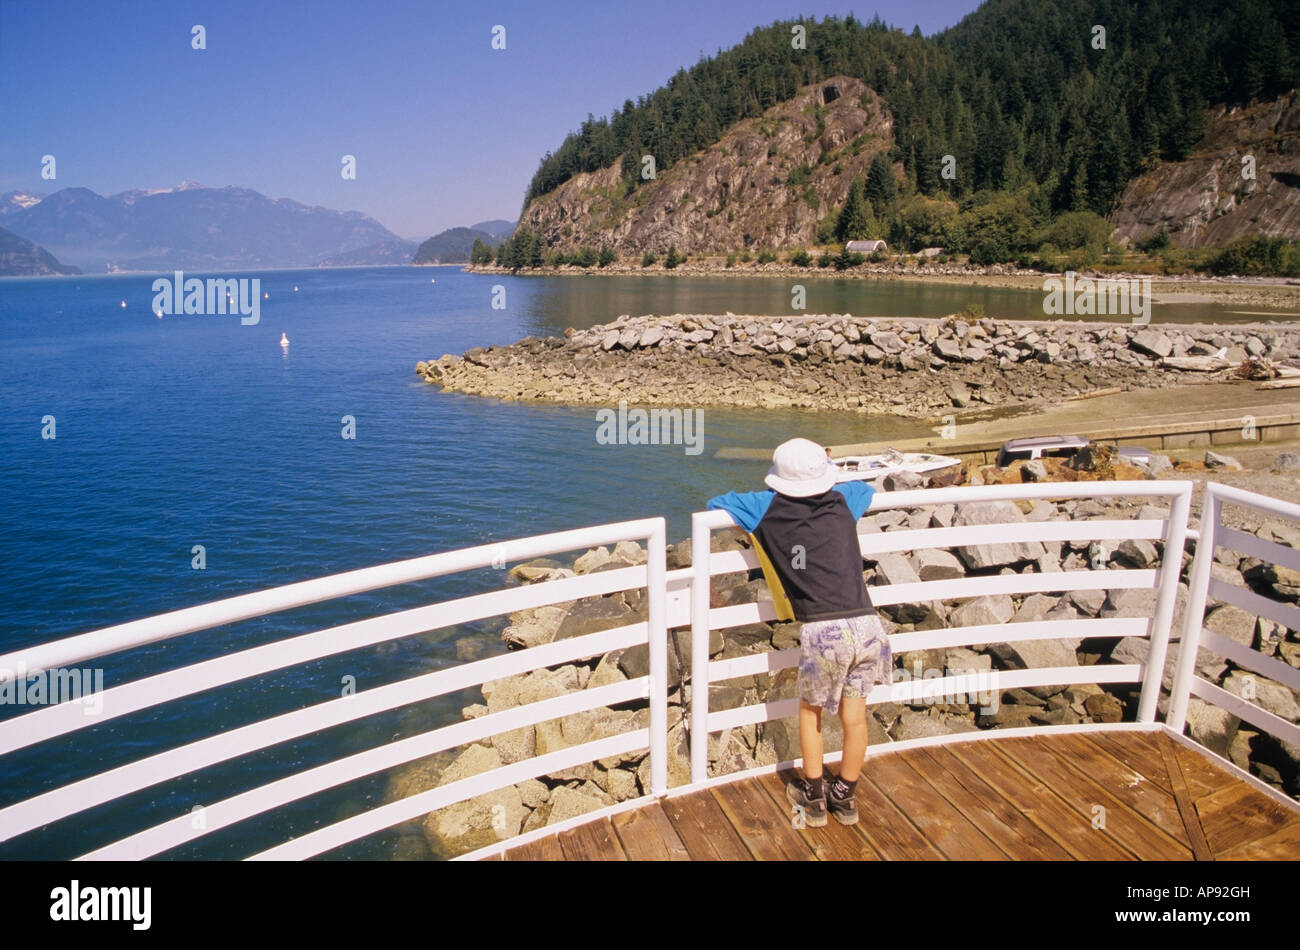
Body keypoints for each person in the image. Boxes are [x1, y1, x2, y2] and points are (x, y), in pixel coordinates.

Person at [706, 437, 892, 827]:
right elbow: (864, 487)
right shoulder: (845, 502)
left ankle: (814, 799)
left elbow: (718, 502)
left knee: (810, 715)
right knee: (854, 718)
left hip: (824, 631)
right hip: (867, 624)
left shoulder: (765, 508)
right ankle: (845, 797)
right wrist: (825, 463)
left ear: (779, 481)